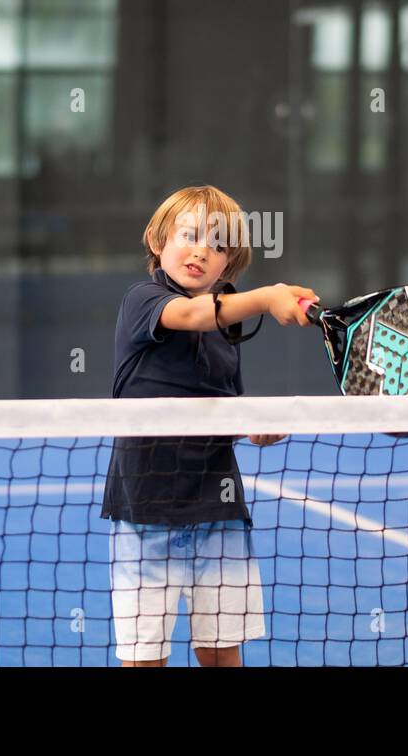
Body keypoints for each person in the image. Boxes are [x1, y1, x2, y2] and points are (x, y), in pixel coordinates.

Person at [103, 184, 316, 666]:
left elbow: (223, 410)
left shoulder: (226, 337)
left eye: (218, 246)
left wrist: (254, 427)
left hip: (217, 510)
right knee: (144, 659)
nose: (201, 251)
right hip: (145, 511)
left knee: (221, 654)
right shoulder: (144, 301)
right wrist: (267, 297)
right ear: (158, 241)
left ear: (229, 266)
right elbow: (193, 313)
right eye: (189, 235)